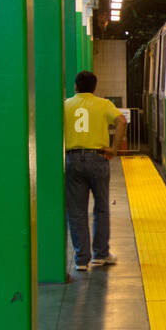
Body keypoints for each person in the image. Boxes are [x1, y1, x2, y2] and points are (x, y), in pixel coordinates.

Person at [64, 70, 127, 272]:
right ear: (94, 87)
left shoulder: (66, 105)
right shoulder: (103, 104)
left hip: (73, 158)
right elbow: (121, 121)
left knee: (76, 211)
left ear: (75, 86)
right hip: (98, 157)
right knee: (101, 207)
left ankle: (81, 259)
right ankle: (100, 255)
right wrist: (114, 149)